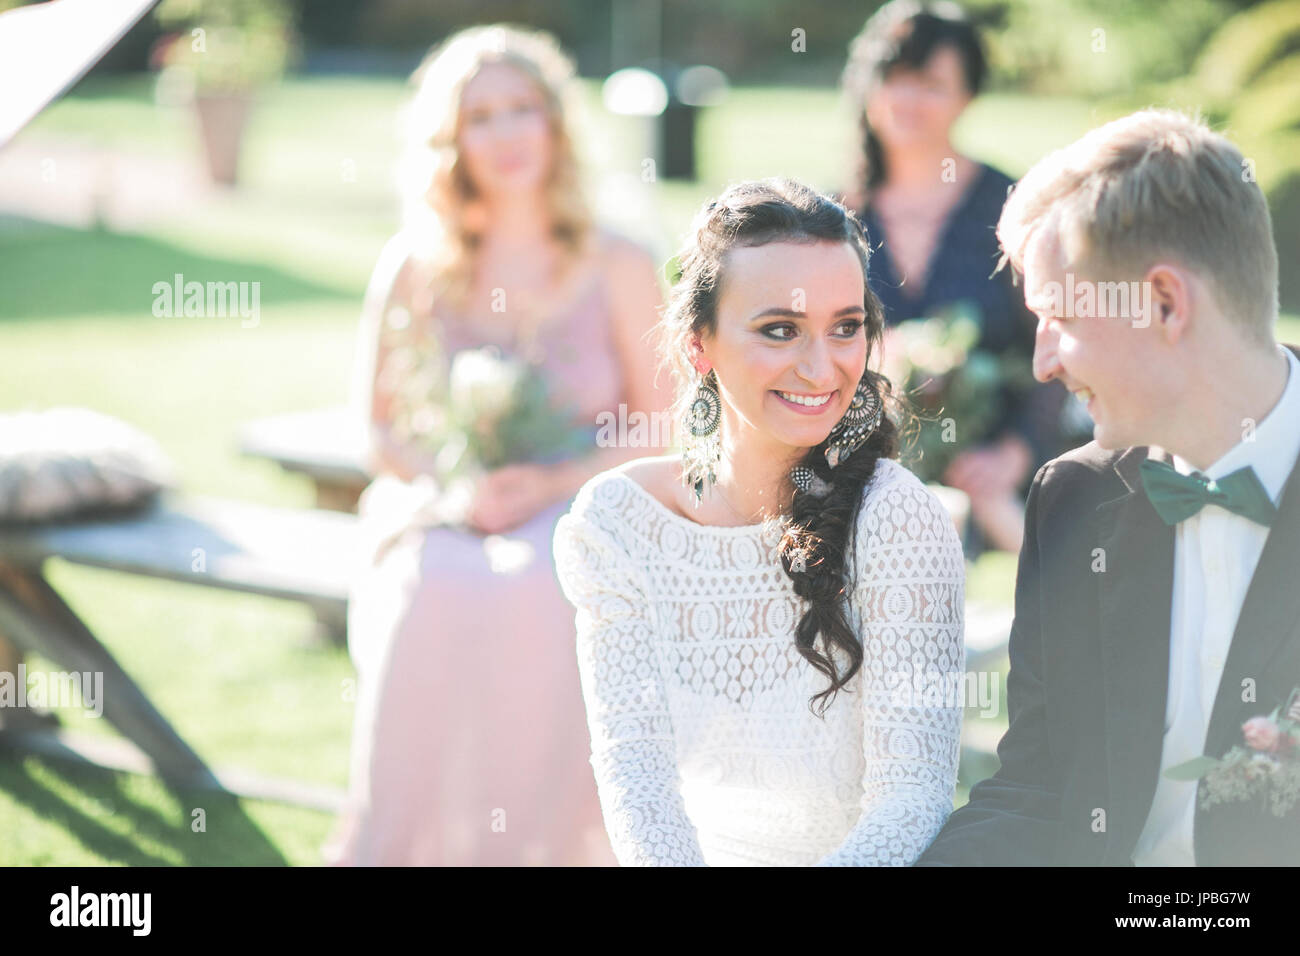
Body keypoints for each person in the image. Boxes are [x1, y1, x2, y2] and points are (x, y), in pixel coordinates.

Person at [322, 25, 668, 866]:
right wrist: (454, 487)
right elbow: (378, 428)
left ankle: (550, 849)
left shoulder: (617, 260)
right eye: (481, 116)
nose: (507, 134)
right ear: (451, 141)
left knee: (544, 585)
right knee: (431, 581)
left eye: (523, 109)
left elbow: (667, 425)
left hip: (581, 501)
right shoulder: (415, 264)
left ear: (556, 124)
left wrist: (556, 479)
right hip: (442, 503)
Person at [918, 109, 1300, 866]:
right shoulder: (1076, 500)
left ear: (1164, 303)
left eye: (1058, 316)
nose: (1042, 364)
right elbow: (1034, 791)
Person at [552, 178, 965, 866]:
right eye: (780, 330)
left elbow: (913, 798)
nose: (820, 366)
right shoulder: (618, 527)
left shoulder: (899, 519)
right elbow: (636, 776)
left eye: (845, 326)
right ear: (698, 346)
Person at [841, 0, 1067, 553]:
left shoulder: (1013, 208)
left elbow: (1062, 340)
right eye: (894, 79)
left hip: (990, 482)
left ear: (968, 96)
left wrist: (1012, 456)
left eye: (931, 84)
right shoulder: (830, 218)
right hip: (861, 478)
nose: (908, 100)